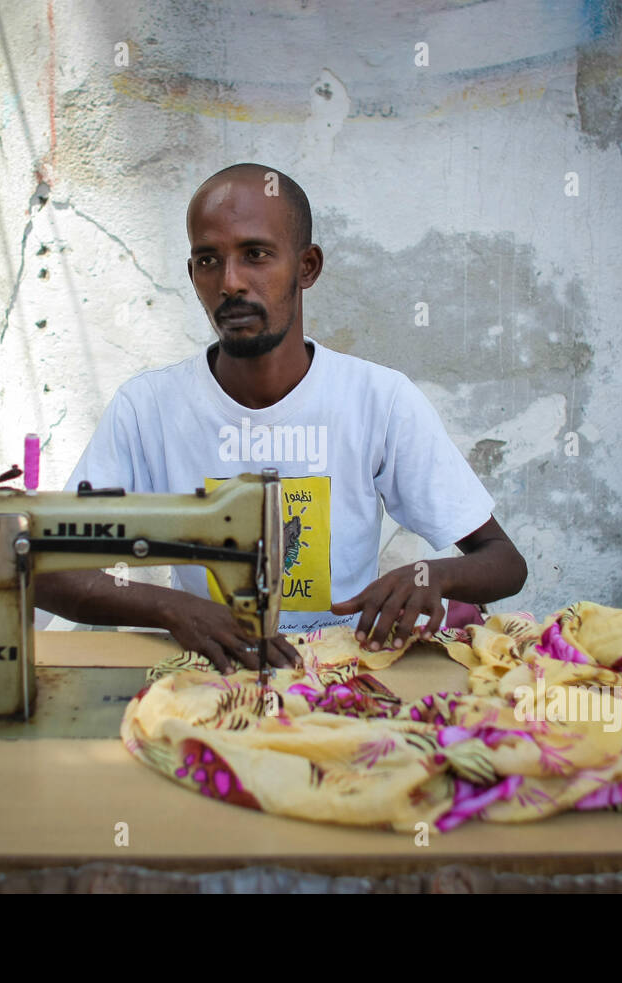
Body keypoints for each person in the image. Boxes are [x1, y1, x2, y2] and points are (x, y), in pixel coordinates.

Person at [36, 163, 526, 674]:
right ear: (193, 275)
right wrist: (174, 608)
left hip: (340, 679)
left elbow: (504, 561)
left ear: (307, 267)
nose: (230, 282)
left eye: (256, 255)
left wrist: (432, 575)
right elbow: (51, 570)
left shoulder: (378, 399)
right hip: (212, 674)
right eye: (208, 260)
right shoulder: (147, 408)